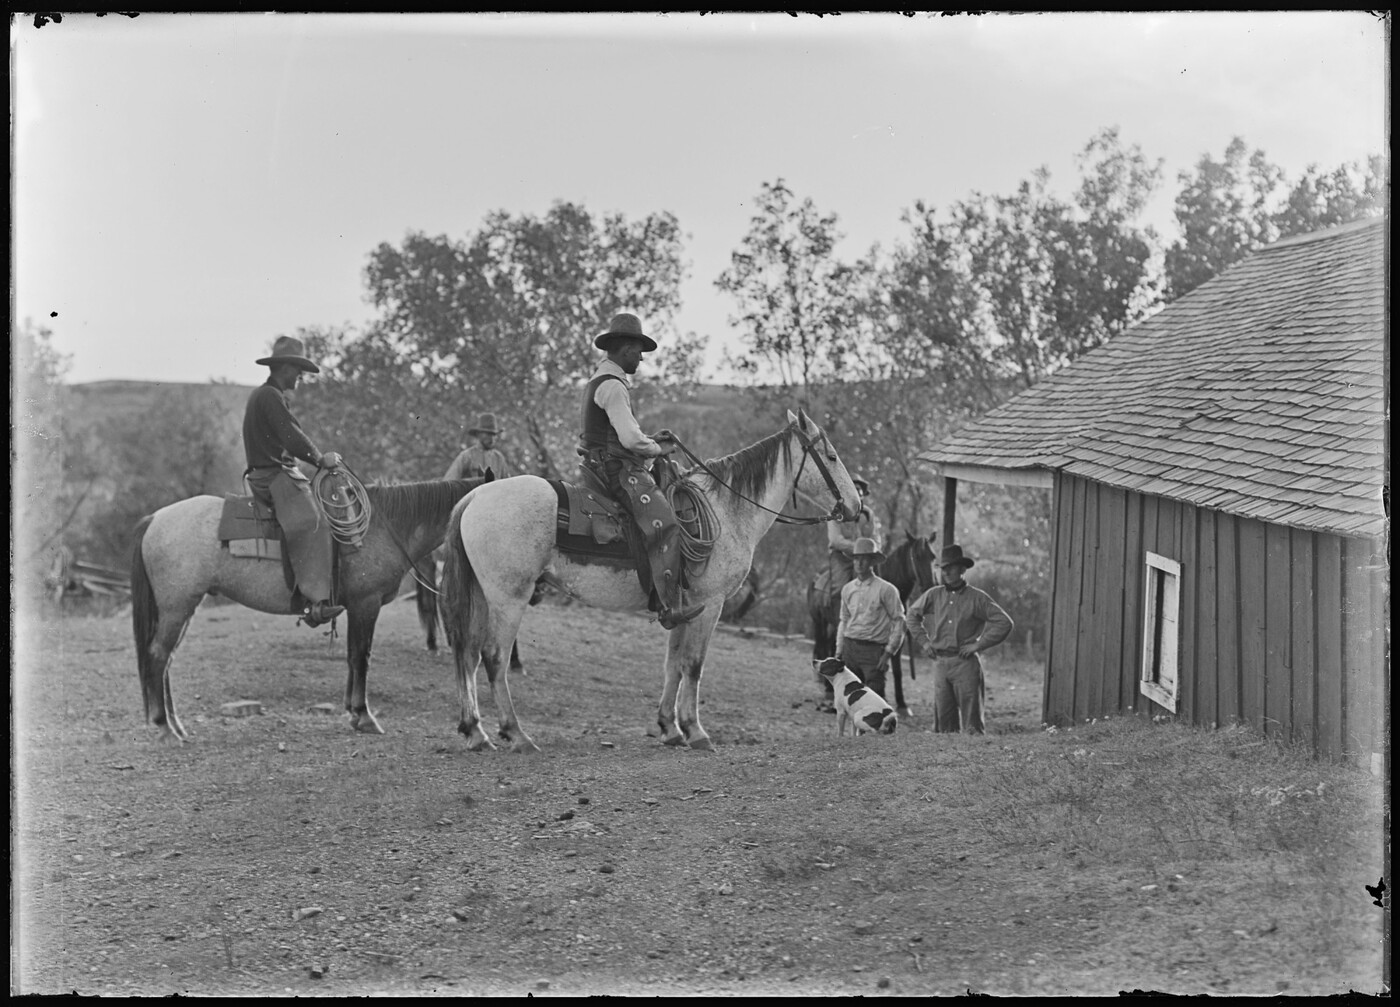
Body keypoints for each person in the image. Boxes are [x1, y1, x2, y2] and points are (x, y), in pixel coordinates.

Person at [577, 312, 705, 630]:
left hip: (605, 462)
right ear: (625, 349)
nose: (642, 358)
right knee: (667, 523)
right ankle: (667, 605)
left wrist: (651, 442)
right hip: (616, 469)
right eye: (639, 350)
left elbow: (629, 435)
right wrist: (656, 449)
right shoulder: (614, 387)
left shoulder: (603, 381)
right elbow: (630, 438)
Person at [242, 335, 346, 628]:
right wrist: (319, 459)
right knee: (315, 522)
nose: (301, 377)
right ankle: (314, 603)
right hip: (273, 475)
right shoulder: (270, 397)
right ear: (285, 368)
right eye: (298, 370)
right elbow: (291, 437)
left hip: (271, 472)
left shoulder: (267, 396)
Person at [903, 544, 1013, 735]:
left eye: (951, 567)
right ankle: (948, 762)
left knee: (972, 723)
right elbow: (911, 615)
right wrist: (925, 641)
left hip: (965, 664)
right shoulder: (934, 594)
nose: (946, 572)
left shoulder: (977, 598)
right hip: (940, 663)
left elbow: (1004, 622)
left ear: (962, 569)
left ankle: (974, 761)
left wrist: (978, 644)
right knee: (944, 723)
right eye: (943, 568)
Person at [834, 537, 906, 703]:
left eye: (864, 559)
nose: (859, 563)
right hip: (850, 648)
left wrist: (889, 652)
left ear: (872, 561)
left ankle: (877, 728)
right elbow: (843, 621)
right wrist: (839, 651)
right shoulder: (848, 589)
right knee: (851, 700)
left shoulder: (886, 589)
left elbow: (899, 621)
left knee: (874, 701)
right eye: (856, 559)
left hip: (873, 651)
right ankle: (854, 729)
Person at [827, 474, 883, 608]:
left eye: (860, 493)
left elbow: (876, 538)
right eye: (853, 492)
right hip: (842, 556)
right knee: (839, 587)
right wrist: (857, 547)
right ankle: (837, 620)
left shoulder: (869, 514)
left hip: (865, 556)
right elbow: (836, 540)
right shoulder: (835, 512)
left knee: (881, 586)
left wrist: (872, 550)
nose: (857, 497)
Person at [443, 412, 511, 481]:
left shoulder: (499, 458)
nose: (492, 438)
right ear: (478, 434)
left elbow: (507, 485)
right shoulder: (467, 456)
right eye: (488, 434)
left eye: (494, 435)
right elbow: (449, 481)